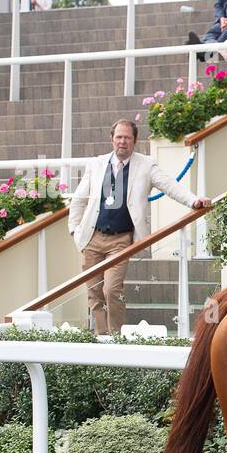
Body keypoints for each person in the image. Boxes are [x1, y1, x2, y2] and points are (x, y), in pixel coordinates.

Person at [66, 119, 212, 335]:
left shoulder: (145, 165)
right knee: (94, 292)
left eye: (127, 138)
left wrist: (194, 201)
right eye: (119, 137)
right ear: (112, 139)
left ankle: (115, 337)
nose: (122, 142)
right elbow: (79, 199)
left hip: (121, 240)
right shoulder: (96, 164)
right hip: (92, 238)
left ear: (134, 141)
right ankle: (101, 336)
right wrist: (74, 229)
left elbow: (170, 186)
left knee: (111, 290)